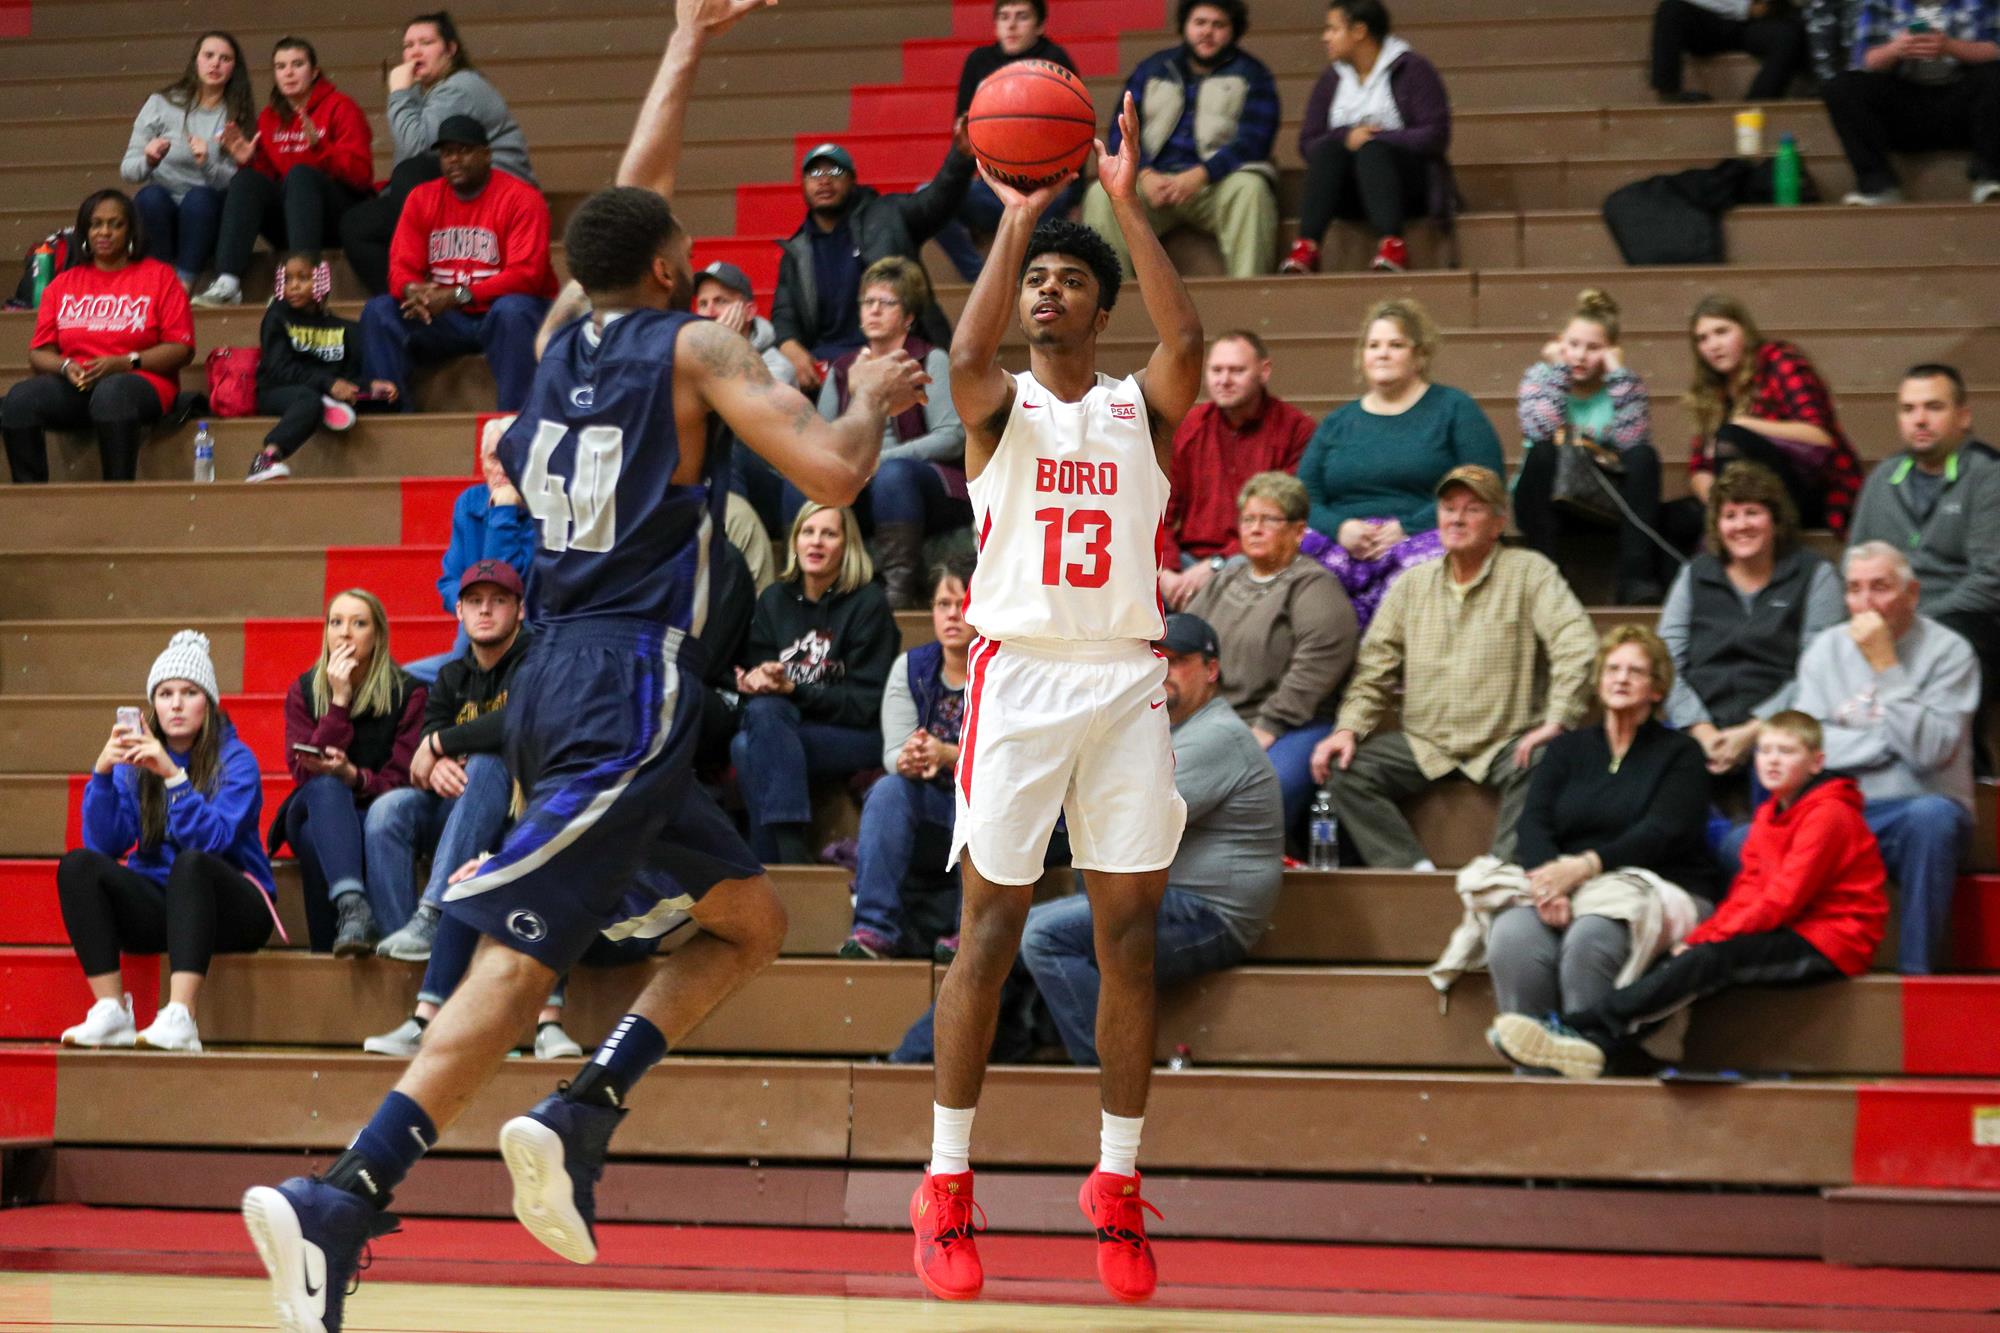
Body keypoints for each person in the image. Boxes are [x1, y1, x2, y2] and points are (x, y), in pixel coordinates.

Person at [241, 5, 933, 1325]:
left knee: (751, 920)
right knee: (522, 951)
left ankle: (586, 1108)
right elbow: (838, 471)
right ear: (676, 270)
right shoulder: (699, 345)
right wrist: (877, 393)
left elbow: (634, 197)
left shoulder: (562, 335)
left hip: (563, 666)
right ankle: (346, 1193)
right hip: (628, 678)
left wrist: (686, 41)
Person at [917, 79, 1206, 1304]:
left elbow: (1186, 345)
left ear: (1097, 307)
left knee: (1126, 936)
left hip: (1126, 681)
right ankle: (944, 1183)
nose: (1049, 290)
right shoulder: (1000, 407)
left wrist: (1124, 205)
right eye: (1041, 278)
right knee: (986, 928)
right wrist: (1017, 220)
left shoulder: (1140, 405)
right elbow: (964, 351)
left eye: (1068, 280)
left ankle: (1119, 1183)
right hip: (1021, 678)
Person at [1489, 710, 1887, 1079]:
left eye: (1786, 751)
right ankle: (1598, 1044)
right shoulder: (1770, 813)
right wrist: (1701, 935)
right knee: (1690, 954)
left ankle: (1580, 1030)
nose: (1772, 760)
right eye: (1765, 750)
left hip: (1834, 941)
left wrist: (1709, 938)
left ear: (1816, 762)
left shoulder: (1828, 814)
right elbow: (1750, 889)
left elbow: (1782, 900)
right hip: (1795, 927)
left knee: (1710, 960)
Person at [1020, 612, 1282, 1064]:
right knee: (1011, 930)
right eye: (1153, 659)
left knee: (1043, 936)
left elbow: (1137, 817)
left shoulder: (1217, 737)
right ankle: (921, 1056)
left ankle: (1107, 1082)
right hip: (1167, 899)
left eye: (1177, 660)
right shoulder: (1166, 731)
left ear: (1211, 670)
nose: (1161, 670)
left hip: (1208, 913)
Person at [1311, 465, 1598, 869]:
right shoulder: (1412, 584)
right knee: (1345, 771)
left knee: (1547, 758)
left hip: (1505, 740)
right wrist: (1347, 729)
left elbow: (1577, 644)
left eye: (1473, 509)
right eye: (1448, 508)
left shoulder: (1530, 572)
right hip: (1426, 744)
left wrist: (1557, 719)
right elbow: (1375, 669)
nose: (1457, 519)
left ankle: (1499, 876)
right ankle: (1410, 869)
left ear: (1498, 523)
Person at [1482, 627, 1719, 1027]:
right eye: (1612, 669)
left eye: (1635, 671)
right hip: (1566, 882)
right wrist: (1546, 884)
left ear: (1657, 689)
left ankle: (1590, 1065)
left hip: (1657, 883)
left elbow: (1663, 833)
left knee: (1590, 937)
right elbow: (1533, 823)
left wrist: (1584, 867)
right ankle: (1536, 1073)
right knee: (1511, 936)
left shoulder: (1681, 753)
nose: (1621, 678)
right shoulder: (1565, 750)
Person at [55, 630, 277, 1053]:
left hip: (234, 907)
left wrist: (173, 778)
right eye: (165, 693)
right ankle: (111, 1010)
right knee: (78, 865)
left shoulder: (237, 760)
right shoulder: (135, 760)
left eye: (189, 692)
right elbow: (105, 845)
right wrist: (102, 775)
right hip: (163, 907)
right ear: (152, 704)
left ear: (208, 704)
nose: (175, 704)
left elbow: (213, 841)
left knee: (190, 863)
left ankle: (181, 1015)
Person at [1795, 541, 1977, 974]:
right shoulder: (1824, 650)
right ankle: (1797, 968)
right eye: (1855, 589)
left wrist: (1885, 664)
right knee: (1740, 842)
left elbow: (1929, 751)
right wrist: (1888, 740)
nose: (1865, 603)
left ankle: (1917, 974)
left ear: (1911, 593)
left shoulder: (1951, 653)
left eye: (1880, 588)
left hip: (1917, 811)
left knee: (1932, 818)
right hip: (1843, 812)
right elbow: (1808, 747)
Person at [1294, 298, 1503, 626]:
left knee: (1425, 567)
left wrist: (1407, 527)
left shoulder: (1453, 408)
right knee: (1292, 561)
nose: (1382, 353)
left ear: (1419, 355)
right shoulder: (1338, 422)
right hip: (1346, 541)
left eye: (1396, 345)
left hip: (1423, 536)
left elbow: (1483, 482)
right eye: (1373, 345)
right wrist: (1340, 528)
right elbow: (1303, 495)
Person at [366, 559, 531, 962]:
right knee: (390, 809)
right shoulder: (450, 676)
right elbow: (422, 762)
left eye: (498, 601)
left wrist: (441, 742)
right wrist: (436, 757)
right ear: (459, 612)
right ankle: (404, 938)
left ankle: (434, 912)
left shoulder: (538, 663)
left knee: (487, 763)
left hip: (522, 815)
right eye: (474, 601)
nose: (485, 610)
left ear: (521, 609)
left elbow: (516, 721)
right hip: (461, 811)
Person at [1186, 472, 1356, 842]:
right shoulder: (1222, 581)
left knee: (1263, 789)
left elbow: (1316, 663)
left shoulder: (1314, 586)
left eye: (1269, 519)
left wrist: (1268, 726)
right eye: (1248, 519)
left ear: (1298, 531)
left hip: (1292, 726)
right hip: (1218, 721)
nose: (1255, 528)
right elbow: (1187, 645)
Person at [1846, 364, 2000, 765]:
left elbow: (1991, 579)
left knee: (1959, 637)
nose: (1920, 419)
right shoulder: (1883, 477)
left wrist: (1919, 620)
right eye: (1908, 409)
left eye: (1933, 407)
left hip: (1965, 618)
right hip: (1888, 613)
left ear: (1963, 416)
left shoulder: (1988, 476)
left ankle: (1967, 763)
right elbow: (1854, 560)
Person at [730, 504, 900, 864]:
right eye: (808, 532)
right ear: (794, 542)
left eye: (829, 534)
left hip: (855, 733)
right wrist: (757, 680)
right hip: (784, 727)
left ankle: (778, 858)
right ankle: (784, 857)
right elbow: (754, 680)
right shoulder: (774, 600)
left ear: (847, 545)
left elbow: (866, 705)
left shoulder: (868, 604)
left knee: (754, 743)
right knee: (752, 733)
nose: (816, 542)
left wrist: (794, 690)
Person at [1659, 461, 1843, 777]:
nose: (1741, 525)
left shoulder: (1815, 574)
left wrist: (1756, 730)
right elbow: (1664, 661)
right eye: (1730, 516)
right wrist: (1701, 729)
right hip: (1698, 727)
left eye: (1752, 512)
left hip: (1783, 728)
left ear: (1775, 519)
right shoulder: (1694, 574)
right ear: (1717, 526)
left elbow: (1817, 668)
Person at [361, 116, 556, 413]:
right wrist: (413, 290)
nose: (454, 159)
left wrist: (457, 295)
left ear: (487, 155)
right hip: (448, 319)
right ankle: (390, 415)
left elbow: (527, 275)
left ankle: (515, 421)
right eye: (447, 152)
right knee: (380, 311)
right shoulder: (422, 198)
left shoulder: (522, 199)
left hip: (505, 315)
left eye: (464, 150)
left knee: (513, 310)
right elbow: (400, 268)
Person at [271, 588, 426, 958]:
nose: (344, 633)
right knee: (325, 787)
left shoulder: (408, 692)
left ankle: (334, 945)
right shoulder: (305, 689)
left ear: (378, 636)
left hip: (374, 811)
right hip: (314, 802)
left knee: (314, 839)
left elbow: (404, 778)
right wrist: (338, 702)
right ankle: (355, 906)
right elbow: (303, 771)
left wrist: (355, 776)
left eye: (358, 623)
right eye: (336, 622)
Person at [2, 190, 194, 484]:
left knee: (112, 393)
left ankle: (117, 493)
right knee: (19, 400)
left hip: (141, 380)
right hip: (79, 383)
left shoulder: (160, 277)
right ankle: (30, 495)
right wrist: (66, 367)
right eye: (96, 224)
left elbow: (181, 348)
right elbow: (39, 352)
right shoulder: (62, 284)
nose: (104, 232)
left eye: (115, 224)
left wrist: (125, 362)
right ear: (85, 231)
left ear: (130, 230)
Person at [340, 11, 536, 295]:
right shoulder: (425, 93)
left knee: (413, 171)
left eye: (425, 42)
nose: (414, 52)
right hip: (455, 190)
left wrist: (397, 93)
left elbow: (415, 148)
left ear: (451, 50)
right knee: (358, 224)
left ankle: (425, 278)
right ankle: (408, 300)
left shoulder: (461, 87)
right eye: (408, 46)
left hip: (497, 194)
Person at [1080, 0, 1279, 278]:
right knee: (1100, 195)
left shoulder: (1252, 75)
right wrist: (1144, 172)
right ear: (1185, 26)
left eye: (1218, 25)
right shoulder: (1153, 69)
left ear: (1233, 31)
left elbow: (1255, 141)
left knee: (1251, 190)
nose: (1207, 32)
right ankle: (1111, 302)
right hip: (1151, 183)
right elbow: (1121, 129)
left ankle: (1249, 300)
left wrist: (1202, 174)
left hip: (1215, 185)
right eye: (1200, 23)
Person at [811, 257, 966, 608]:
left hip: (922, 482)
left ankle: (898, 590)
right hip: (858, 480)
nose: (874, 311)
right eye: (867, 302)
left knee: (892, 476)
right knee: (799, 484)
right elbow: (821, 440)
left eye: (886, 303)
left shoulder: (930, 360)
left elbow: (952, 436)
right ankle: (809, 587)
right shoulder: (842, 369)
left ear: (908, 317)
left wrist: (880, 460)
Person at [842, 561, 974, 959]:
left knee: (983, 800)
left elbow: (1015, 761)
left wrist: (949, 754)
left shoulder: (1003, 670)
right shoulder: (911, 667)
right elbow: (891, 753)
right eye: (942, 604)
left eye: (963, 604)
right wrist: (910, 758)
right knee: (888, 789)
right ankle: (873, 930)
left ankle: (969, 933)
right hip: (930, 813)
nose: (952, 614)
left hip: (985, 811)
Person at [771, 135, 974, 393]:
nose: (824, 179)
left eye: (834, 170)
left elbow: (936, 203)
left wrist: (960, 156)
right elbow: (784, 314)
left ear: (852, 180)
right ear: (803, 184)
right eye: (814, 173)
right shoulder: (796, 252)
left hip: (895, 353)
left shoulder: (887, 214)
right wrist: (792, 349)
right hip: (827, 367)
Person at [193, 37, 376, 308]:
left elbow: (362, 176)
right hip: (295, 221)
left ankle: (303, 280)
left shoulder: (341, 107)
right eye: (281, 66)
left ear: (314, 72)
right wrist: (251, 160)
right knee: (246, 179)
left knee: (301, 175)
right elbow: (271, 184)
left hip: (338, 216)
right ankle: (228, 282)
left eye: (297, 64)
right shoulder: (269, 117)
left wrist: (322, 149)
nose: (288, 72)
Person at [1511, 289, 1667, 605]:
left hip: (1600, 501)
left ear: (1612, 351)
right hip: (1545, 498)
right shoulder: (1539, 377)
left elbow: (1632, 443)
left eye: (1594, 348)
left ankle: (1634, 578)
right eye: (1573, 345)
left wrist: (1618, 376)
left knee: (1645, 456)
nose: (1580, 356)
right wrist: (1558, 373)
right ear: (1558, 343)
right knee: (1543, 450)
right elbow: (1539, 429)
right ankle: (1547, 579)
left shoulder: (1625, 383)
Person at [1285, 0, 1455, 275]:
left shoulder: (1412, 69)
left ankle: (1393, 245)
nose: (1324, 37)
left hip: (1406, 189)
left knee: (1373, 150)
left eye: (1332, 29)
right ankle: (1306, 247)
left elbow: (1435, 135)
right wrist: (1347, 136)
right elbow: (1307, 143)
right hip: (1347, 193)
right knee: (1330, 149)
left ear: (1359, 31)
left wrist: (1378, 138)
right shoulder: (1331, 78)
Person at [1156, 330, 1316, 611]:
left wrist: (1217, 565)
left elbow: (1285, 518)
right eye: (1216, 370)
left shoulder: (1296, 430)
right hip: (1184, 563)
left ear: (1264, 372)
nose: (1224, 380)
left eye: (1237, 371)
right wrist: (1166, 571)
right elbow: (1161, 510)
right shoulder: (1190, 426)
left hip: (1252, 559)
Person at [1680, 294, 1861, 535]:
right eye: (1702, 339)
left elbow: (1819, 437)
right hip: (1742, 499)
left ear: (1744, 330)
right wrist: (1719, 507)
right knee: (1670, 519)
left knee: (1732, 435)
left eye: (1722, 331)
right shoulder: (1711, 389)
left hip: (1810, 492)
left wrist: (1743, 423)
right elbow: (1699, 468)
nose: (1713, 345)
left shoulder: (1779, 359)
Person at [935, 0, 1083, 282]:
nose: (1011, 25)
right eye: (1004, 17)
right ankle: (978, 277)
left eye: (1021, 17)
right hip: (993, 185)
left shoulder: (1055, 59)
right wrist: (968, 176)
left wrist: (1076, 196)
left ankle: (1026, 278)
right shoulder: (978, 61)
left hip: (1044, 186)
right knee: (932, 196)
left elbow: (1078, 132)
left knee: (1052, 202)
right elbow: (963, 132)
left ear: (1040, 26)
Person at [1821, 0, 2000, 206]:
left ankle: (1992, 177)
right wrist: (1896, 49)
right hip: (1904, 108)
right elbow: (1864, 60)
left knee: (1994, 76)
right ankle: (1877, 186)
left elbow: (1996, 50)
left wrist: (1950, 47)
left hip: (1967, 107)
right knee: (1842, 86)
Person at [246, 254, 399, 482]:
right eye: (287, 279)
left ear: (321, 281)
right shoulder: (277, 317)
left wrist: (369, 386)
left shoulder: (343, 328)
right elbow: (279, 368)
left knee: (383, 400)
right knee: (309, 399)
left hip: (320, 388)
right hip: (277, 390)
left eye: (303, 278)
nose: (294, 285)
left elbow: (343, 376)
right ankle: (266, 459)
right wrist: (327, 385)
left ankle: (329, 404)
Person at [120, 32, 253, 289]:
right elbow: (128, 171)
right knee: (150, 197)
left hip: (208, 213)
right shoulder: (161, 103)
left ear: (233, 68)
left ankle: (184, 283)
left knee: (199, 199)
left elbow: (239, 186)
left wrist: (208, 164)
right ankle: (163, 278)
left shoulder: (237, 113)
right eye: (209, 56)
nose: (215, 64)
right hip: (163, 213)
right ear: (196, 60)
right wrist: (148, 160)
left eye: (225, 59)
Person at [407, 453, 534, 685]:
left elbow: (503, 580)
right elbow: (449, 582)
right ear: (482, 463)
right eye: (495, 459)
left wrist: (503, 510)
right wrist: (474, 606)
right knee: (394, 682)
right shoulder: (470, 501)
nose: (502, 469)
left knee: (466, 684)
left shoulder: (545, 506)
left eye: (511, 457)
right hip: (475, 636)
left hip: (528, 634)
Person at [1650, 0, 1809, 105]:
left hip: (1757, 23)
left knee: (1787, 34)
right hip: (1710, 20)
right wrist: (1745, 8)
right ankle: (1668, 93)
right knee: (1670, 9)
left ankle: (1757, 106)